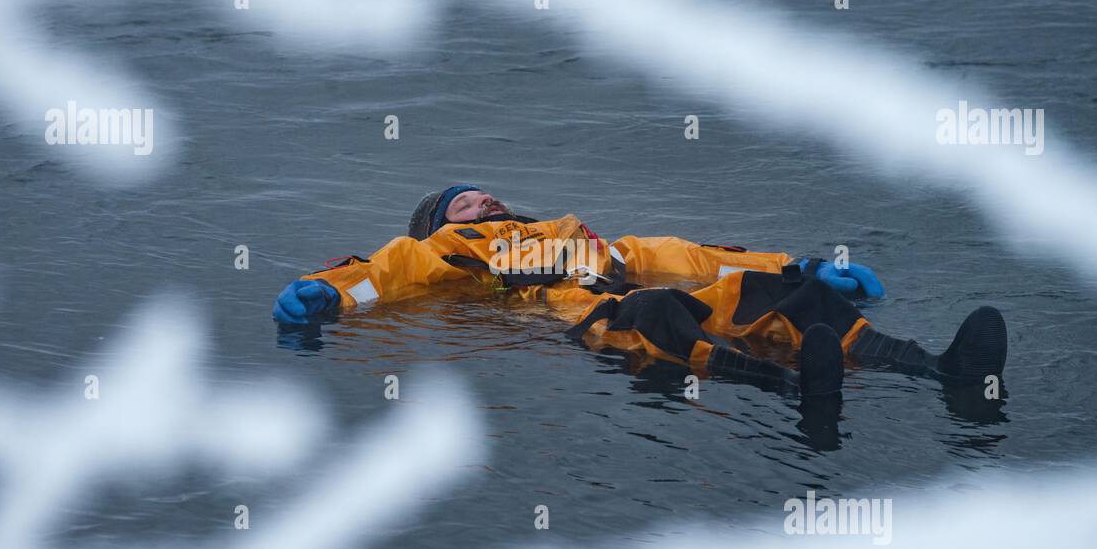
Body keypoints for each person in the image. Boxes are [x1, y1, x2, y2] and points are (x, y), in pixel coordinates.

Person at [272, 184, 1007, 401]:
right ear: (442, 222)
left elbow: (684, 253)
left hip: (628, 283)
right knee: (651, 314)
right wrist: (328, 293)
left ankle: (938, 367)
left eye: (491, 197)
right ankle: (788, 387)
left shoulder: (578, 231)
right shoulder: (449, 249)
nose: (488, 204)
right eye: (467, 203)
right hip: (582, 314)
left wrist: (803, 263)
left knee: (766, 294)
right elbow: (395, 270)